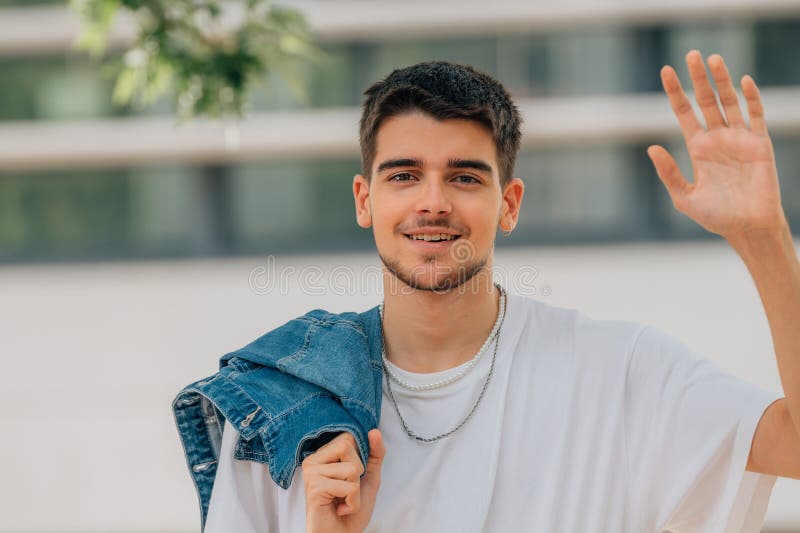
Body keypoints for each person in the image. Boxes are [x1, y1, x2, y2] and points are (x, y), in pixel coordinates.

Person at [199, 51, 800, 532]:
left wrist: (766, 241)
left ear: (509, 205)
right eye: (404, 175)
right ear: (364, 199)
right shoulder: (278, 404)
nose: (432, 201)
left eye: (464, 176)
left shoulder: (618, 371)